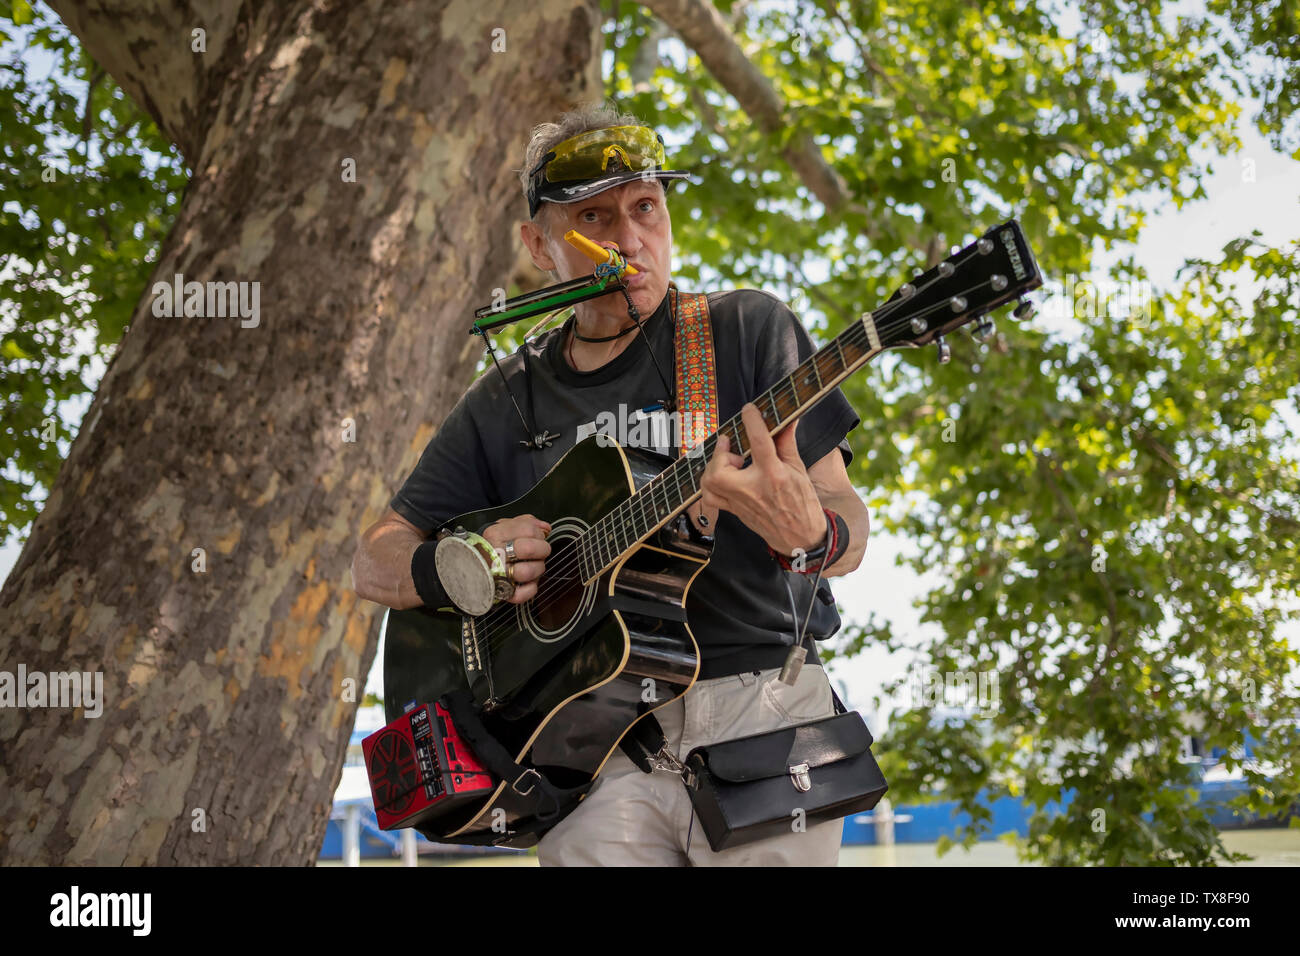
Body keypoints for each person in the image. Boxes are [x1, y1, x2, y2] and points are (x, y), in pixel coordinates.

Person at [351, 103, 870, 866]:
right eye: (594, 216)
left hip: (759, 717)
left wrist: (812, 535)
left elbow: (847, 523)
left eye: (646, 208)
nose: (629, 239)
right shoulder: (508, 394)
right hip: (588, 749)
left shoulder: (747, 329)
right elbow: (374, 559)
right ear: (538, 245)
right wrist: (467, 565)